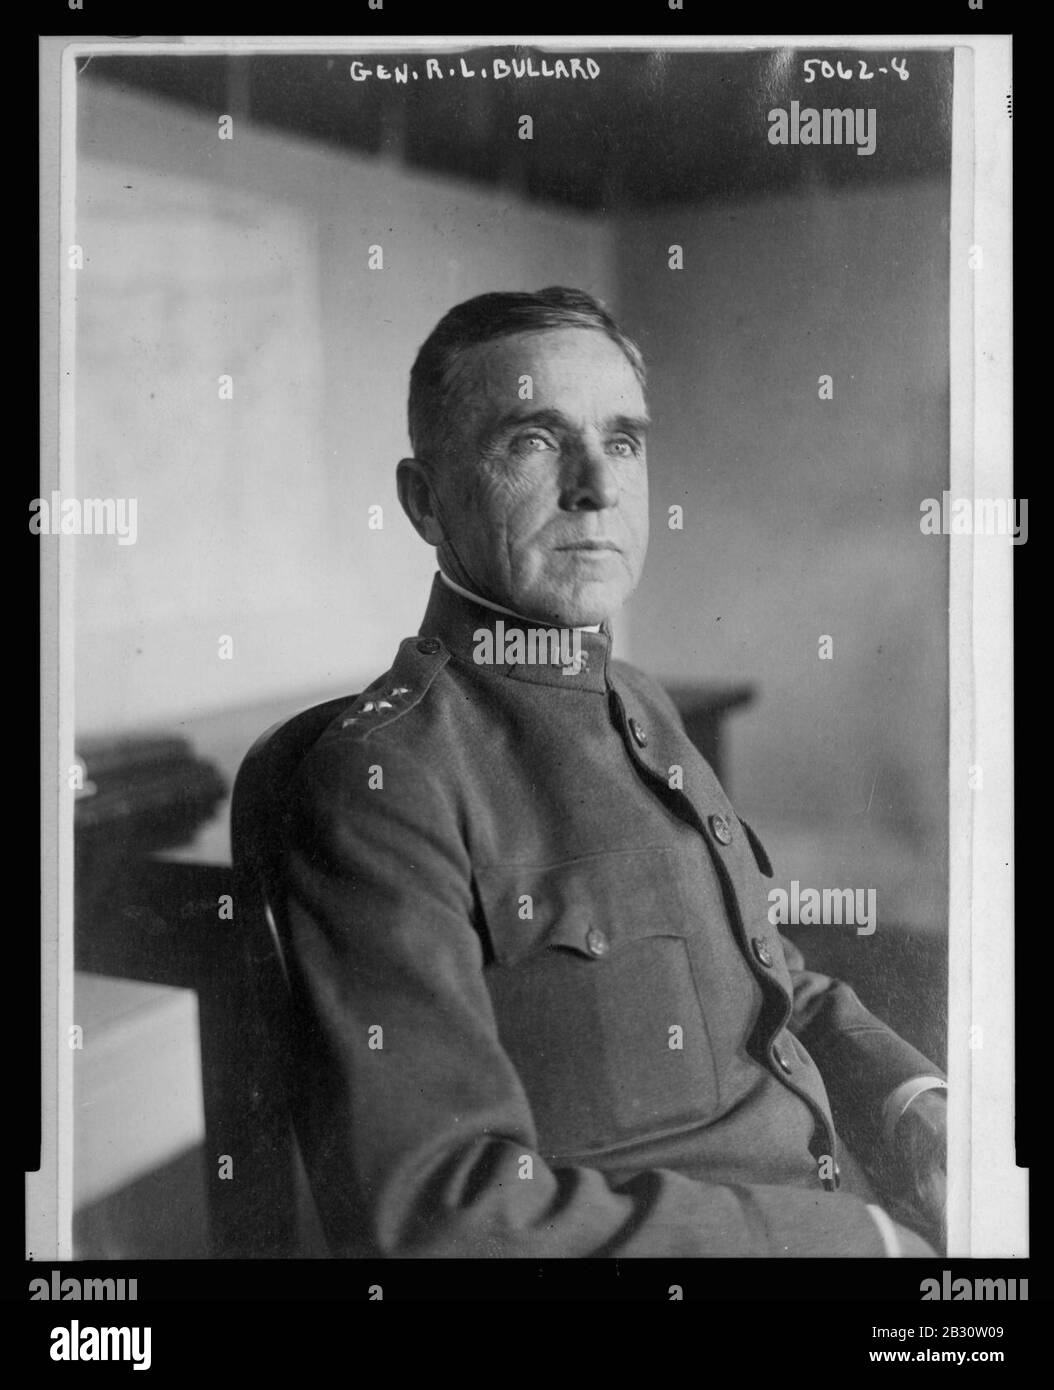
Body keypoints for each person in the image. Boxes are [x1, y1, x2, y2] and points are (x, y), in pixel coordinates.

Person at [276, 287, 947, 1257]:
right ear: (424, 502)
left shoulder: (641, 701)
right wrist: (859, 1247)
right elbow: (441, 1211)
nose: (595, 484)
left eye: (622, 441)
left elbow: (769, 982)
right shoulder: (385, 779)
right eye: (533, 442)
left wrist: (912, 1103)